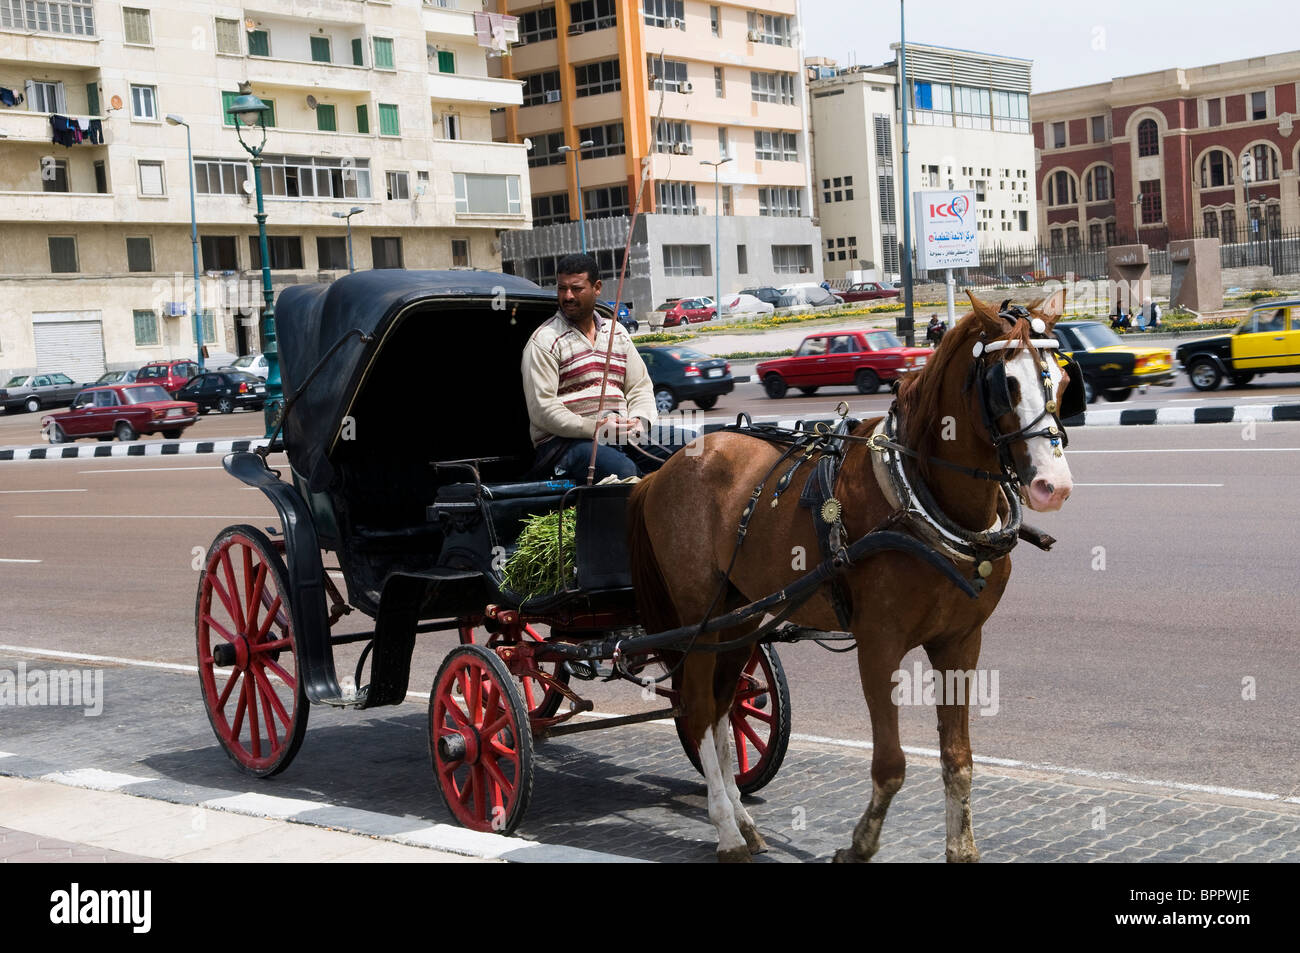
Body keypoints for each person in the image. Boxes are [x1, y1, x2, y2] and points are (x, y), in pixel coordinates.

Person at [522, 253, 675, 482]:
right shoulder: (544, 341)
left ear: (597, 287)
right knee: (623, 471)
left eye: (576, 288)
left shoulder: (618, 334)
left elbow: (639, 387)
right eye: (562, 288)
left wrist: (639, 421)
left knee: (693, 450)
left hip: (622, 436)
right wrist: (595, 428)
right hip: (565, 446)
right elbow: (543, 410)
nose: (568, 296)